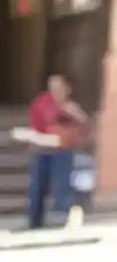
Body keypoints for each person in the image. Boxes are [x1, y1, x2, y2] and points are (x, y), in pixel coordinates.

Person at [26, 75, 87, 229]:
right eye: (53, 88)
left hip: (63, 150)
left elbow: (82, 124)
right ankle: (35, 218)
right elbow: (36, 124)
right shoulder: (41, 103)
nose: (57, 91)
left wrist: (74, 113)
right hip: (43, 149)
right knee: (38, 185)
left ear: (67, 89)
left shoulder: (71, 106)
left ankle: (63, 214)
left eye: (60, 88)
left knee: (62, 183)